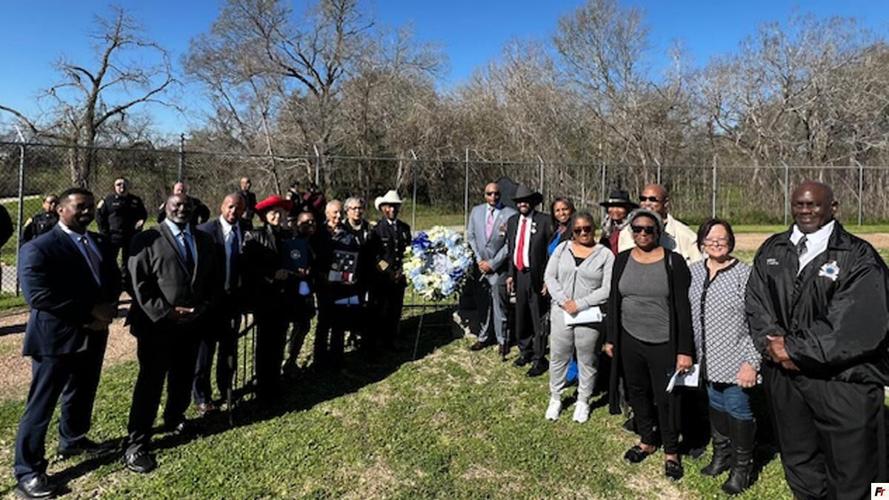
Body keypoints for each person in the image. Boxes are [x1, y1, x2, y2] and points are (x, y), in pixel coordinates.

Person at [746, 181, 889, 500]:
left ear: (833, 207)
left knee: (857, 467)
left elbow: (858, 321)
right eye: (799, 204)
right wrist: (772, 346)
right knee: (799, 458)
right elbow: (756, 302)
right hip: (784, 377)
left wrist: (795, 350)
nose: (805, 211)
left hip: (841, 380)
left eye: (813, 205)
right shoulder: (773, 249)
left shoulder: (858, 255)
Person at [13, 188, 120, 499]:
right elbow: (38, 295)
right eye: (79, 207)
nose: (87, 212)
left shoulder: (99, 242)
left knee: (83, 389)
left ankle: (73, 439)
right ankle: (28, 470)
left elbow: (112, 277)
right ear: (60, 210)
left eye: (90, 207)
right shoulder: (39, 247)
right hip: (56, 337)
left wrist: (109, 307)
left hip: (94, 333)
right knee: (42, 404)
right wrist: (89, 312)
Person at [124, 194, 219, 474]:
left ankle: (175, 417)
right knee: (150, 382)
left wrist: (202, 307)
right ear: (165, 207)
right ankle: (137, 442)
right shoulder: (147, 239)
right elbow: (136, 282)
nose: (182, 208)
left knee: (183, 376)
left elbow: (212, 279)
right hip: (157, 326)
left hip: (192, 324)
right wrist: (166, 312)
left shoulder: (204, 240)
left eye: (187, 205)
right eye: (176, 204)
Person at [604, 208, 694, 481]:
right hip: (629, 339)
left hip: (663, 342)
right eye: (637, 229)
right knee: (637, 392)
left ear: (658, 232)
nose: (642, 233)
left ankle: (671, 451)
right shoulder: (622, 260)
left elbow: (683, 309)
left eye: (648, 229)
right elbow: (614, 300)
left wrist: (684, 350)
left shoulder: (673, 261)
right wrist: (611, 338)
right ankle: (646, 439)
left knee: (667, 398)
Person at [689, 219, 760, 494]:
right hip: (707, 358)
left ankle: (742, 468)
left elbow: (758, 322)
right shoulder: (694, 272)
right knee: (716, 405)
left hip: (736, 359)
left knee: (737, 409)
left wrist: (751, 362)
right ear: (701, 243)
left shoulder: (745, 274)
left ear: (731, 240)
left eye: (722, 238)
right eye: (710, 239)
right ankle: (722, 454)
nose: (716, 243)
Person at [543, 212, 613, 423]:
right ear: (572, 232)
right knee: (558, 355)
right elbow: (550, 277)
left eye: (587, 229)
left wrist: (580, 304)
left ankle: (583, 400)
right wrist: (564, 301)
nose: (583, 233)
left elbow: (607, 288)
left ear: (594, 228)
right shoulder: (562, 249)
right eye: (578, 230)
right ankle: (556, 397)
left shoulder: (605, 255)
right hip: (562, 311)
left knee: (587, 358)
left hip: (589, 314)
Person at [192, 194, 250, 414]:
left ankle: (226, 388)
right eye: (230, 207)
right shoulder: (205, 231)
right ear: (222, 206)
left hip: (232, 301)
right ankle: (202, 396)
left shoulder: (245, 230)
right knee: (205, 352)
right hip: (209, 302)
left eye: (239, 208)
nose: (234, 212)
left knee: (229, 350)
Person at [243, 195, 300, 397]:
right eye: (273, 213)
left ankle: (275, 381)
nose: (278, 216)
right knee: (265, 344)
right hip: (265, 298)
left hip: (285, 297)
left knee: (279, 340)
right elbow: (249, 267)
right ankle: (264, 386)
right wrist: (270, 275)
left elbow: (296, 260)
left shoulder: (289, 236)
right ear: (265, 216)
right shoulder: (254, 236)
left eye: (281, 213)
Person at [505, 185, 554, 377]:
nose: (522, 204)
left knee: (537, 317)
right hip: (519, 275)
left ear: (533, 202)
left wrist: (548, 279)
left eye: (526, 200)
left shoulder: (545, 221)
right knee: (521, 315)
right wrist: (511, 274)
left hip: (537, 277)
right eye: (519, 201)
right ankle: (525, 350)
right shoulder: (512, 221)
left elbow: (550, 253)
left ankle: (539, 357)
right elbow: (511, 250)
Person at [465, 183, 517, 356]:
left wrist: (493, 263)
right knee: (482, 304)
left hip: (498, 268)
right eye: (489, 193)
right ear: (484, 194)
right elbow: (471, 236)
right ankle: (483, 336)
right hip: (480, 268)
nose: (493, 197)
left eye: (496, 194)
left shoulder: (510, 214)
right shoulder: (476, 211)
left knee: (500, 305)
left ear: (500, 195)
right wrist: (479, 260)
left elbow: (510, 243)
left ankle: (503, 340)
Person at [314, 200, 364, 368]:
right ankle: (320, 359)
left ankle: (337, 358)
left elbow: (355, 258)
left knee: (339, 322)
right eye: (334, 212)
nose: (338, 215)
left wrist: (352, 275)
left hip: (342, 286)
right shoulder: (319, 233)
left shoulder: (348, 235)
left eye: (340, 212)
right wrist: (321, 275)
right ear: (327, 213)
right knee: (323, 322)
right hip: (324, 285)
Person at [370, 191, 411, 352]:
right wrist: (388, 272)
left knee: (396, 310)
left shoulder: (404, 228)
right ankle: (378, 342)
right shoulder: (377, 230)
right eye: (389, 207)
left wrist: (403, 270)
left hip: (400, 276)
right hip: (383, 278)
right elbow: (375, 256)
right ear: (382, 208)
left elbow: (409, 253)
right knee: (381, 310)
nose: (392, 210)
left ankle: (393, 339)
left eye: (395, 206)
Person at [617, 184, 701, 262]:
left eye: (653, 200)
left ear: (666, 203)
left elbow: (698, 268)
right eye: (643, 199)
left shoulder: (687, 236)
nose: (647, 203)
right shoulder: (626, 233)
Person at [96, 177, 148, 289]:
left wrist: (141, 222)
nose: (122, 187)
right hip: (113, 236)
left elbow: (143, 214)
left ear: (128, 186)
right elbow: (100, 216)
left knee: (128, 260)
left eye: (124, 184)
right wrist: (104, 232)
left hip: (130, 236)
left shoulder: (135, 200)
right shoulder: (108, 200)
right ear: (114, 187)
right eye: (118, 184)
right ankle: (111, 282)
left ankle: (126, 283)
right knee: (110, 260)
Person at [284, 210, 318, 369]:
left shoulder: (316, 241)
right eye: (305, 223)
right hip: (294, 289)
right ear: (298, 225)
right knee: (298, 324)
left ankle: (292, 359)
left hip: (308, 288)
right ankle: (288, 361)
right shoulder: (292, 242)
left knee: (304, 325)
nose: (310, 225)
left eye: (313, 222)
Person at [599, 190, 637, 255]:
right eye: (612, 206)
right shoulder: (606, 228)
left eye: (619, 207)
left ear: (627, 209)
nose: (615, 210)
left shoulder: (633, 228)